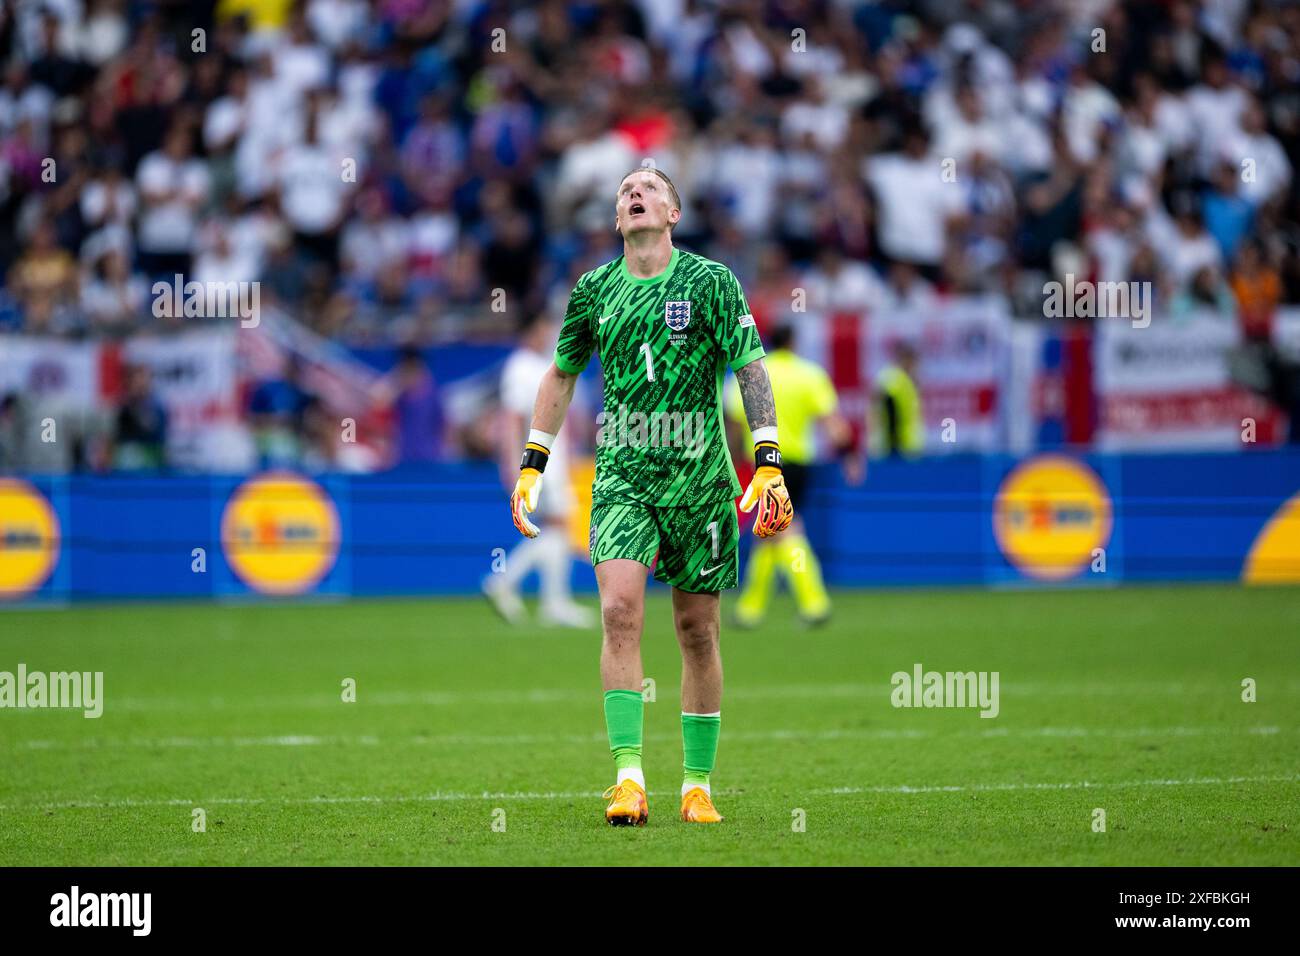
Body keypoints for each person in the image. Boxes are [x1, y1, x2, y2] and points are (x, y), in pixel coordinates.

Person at [507, 166, 792, 826]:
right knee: (619, 611)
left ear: (673, 212)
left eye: (648, 189)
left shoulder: (712, 283)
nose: (634, 195)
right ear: (617, 220)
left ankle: (696, 785)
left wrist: (768, 461)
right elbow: (561, 373)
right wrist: (534, 463)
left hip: (702, 484)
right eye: (624, 193)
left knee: (697, 630)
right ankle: (628, 779)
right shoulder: (594, 290)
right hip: (623, 480)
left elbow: (751, 367)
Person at [725, 323, 857, 626]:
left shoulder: (751, 372)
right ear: (794, 341)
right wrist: (850, 455)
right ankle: (751, 609)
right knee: (771, 531)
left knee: (784, 529)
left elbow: (732, 422)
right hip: (797, 463)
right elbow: (833, 425)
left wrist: (732, 460)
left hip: (763, 460)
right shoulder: (810, 374)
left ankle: (813, 604)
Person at [483, 312, 594, 628]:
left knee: (555, 526)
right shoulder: (521, 367)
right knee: (559, 524)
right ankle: (506, 583)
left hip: (554, 458)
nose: (549, 334)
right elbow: (513, 419)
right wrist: (513, 464)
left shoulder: (540, 363)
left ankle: (551, 601)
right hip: (540, 462)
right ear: (532, 330)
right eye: (544, 327)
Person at [871, 340, 924, 459]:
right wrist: (892, 443)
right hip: (896, 448)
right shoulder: (893, 379)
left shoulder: (907, 381)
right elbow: (884, 408)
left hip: (909, 446)